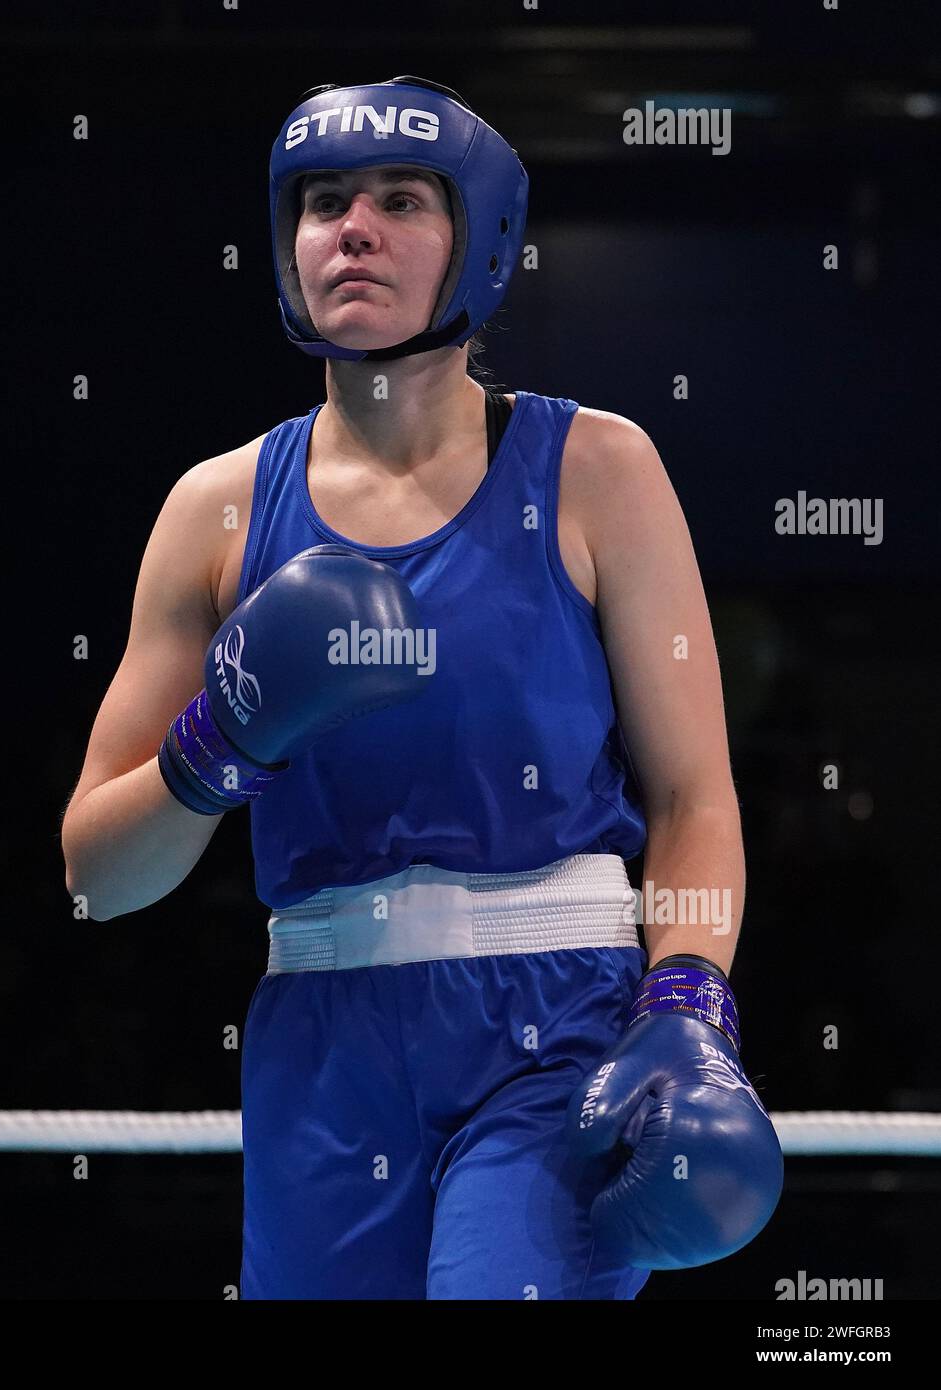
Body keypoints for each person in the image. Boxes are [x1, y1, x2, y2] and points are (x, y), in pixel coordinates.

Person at [61, 76, 782, 1300]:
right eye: (325, 200)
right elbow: (96, 877)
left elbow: (692, 794)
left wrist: (688, 1005)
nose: (354, 227)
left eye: (401, 198)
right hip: (320, 1045)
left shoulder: (597, 468)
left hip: (555, 1029)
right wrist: (218, 737)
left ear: (481, 239)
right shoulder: (215, 511)